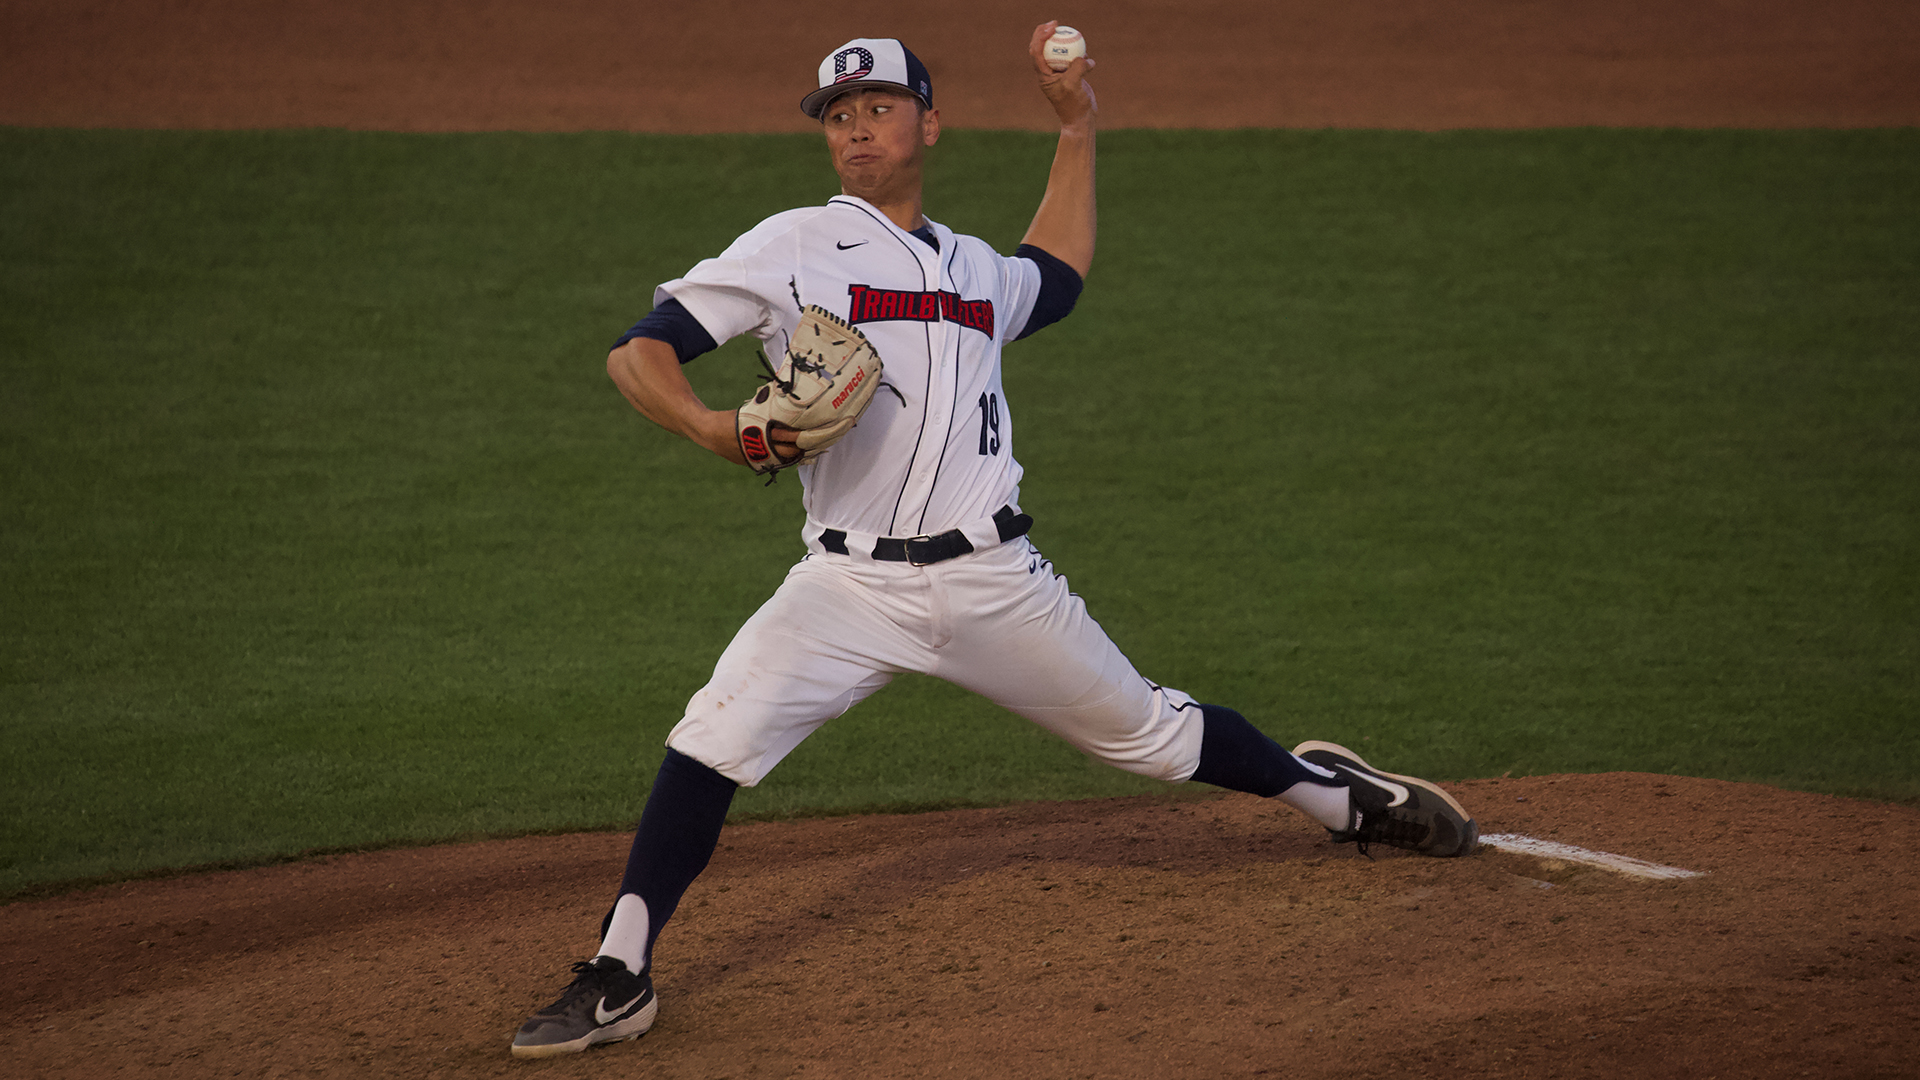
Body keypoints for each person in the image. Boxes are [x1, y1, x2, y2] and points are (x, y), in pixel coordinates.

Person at [509, 24, 1477, 1060]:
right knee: (711, 739)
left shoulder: (971, 268)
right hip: (844, 586)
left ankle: (1342, 801)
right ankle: (621, 970)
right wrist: (707, 426)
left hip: (993, 580)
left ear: (930, 122)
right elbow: (639, 349)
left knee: (1151, 737)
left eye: (879, 108)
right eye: (839, 117)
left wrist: (1077, 127)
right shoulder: (792, 244)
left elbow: (1053, 275)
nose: (857, 131)